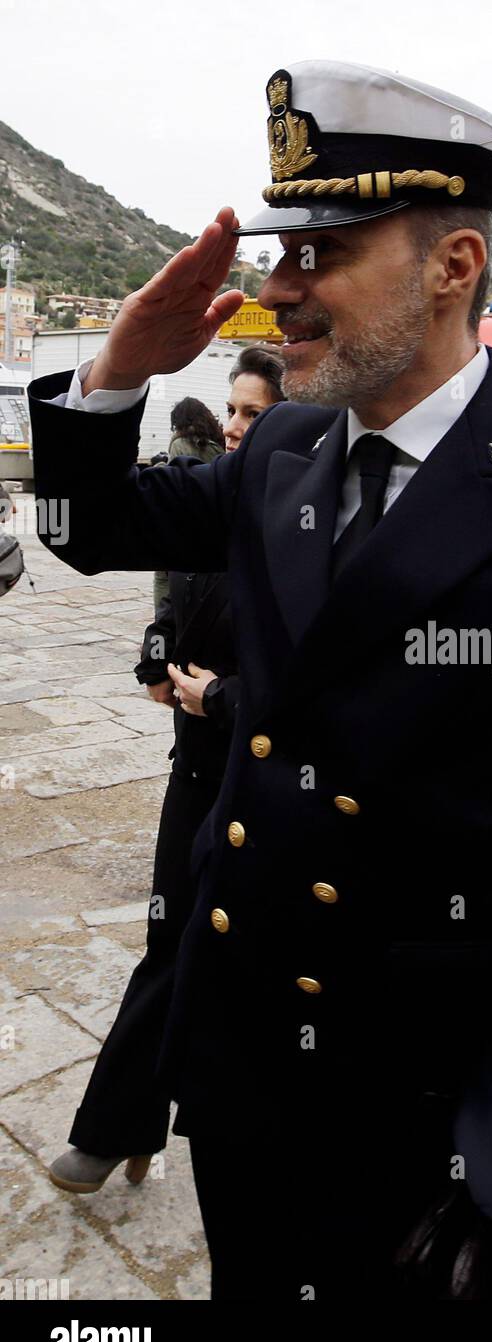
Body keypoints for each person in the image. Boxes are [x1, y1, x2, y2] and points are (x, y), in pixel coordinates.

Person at [29, 60, 492, 1300]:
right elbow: (78, 523)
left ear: (453, 265)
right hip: (242, 1049)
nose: (277, 293)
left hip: (441, 1100)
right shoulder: (283, 449)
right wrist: (118, 371)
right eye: (280, 256)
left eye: (320, 254)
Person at [47, 347, 285, 1194]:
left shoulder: (320, 514)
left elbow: (335, 682)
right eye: (233, 408)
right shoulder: (217, 492)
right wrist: (158, 654)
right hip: (197, 769)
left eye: (253, 412)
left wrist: (223, 696)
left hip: (270, 776)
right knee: (169, 942)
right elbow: (166, 582)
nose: (232, 425)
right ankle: (122, 1124)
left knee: (245, 961)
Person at [152, 399, 225, 610]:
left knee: (164, 579)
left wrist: (159, 468)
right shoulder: (217, 443)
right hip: (209, 523)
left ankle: (166, 627)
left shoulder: (180, 443)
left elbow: (176, 481)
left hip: (180, 522)